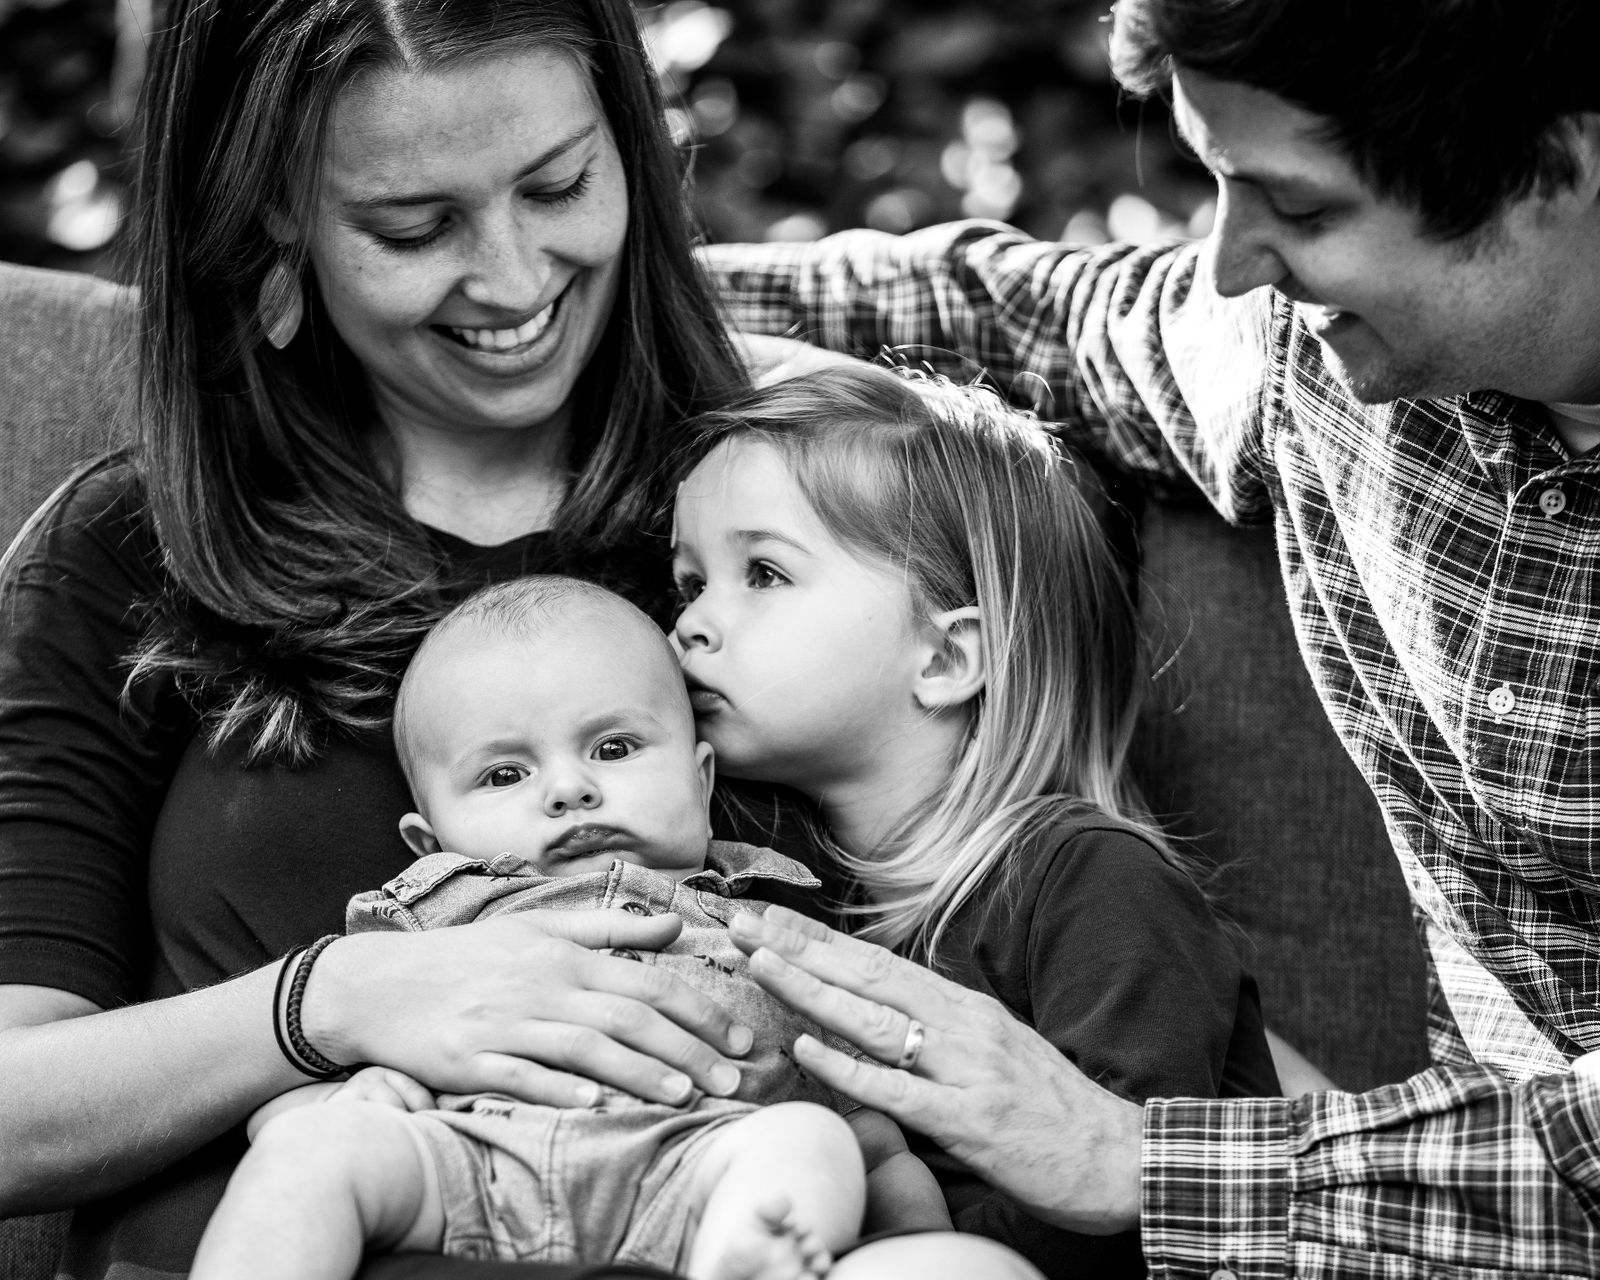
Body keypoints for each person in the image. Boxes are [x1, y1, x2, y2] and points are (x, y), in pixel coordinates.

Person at [697, 0, 1600, 1274]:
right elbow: (1019, 315)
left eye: (1302, 208)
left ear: (1559, 168)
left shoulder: (1085, 894)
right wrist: (588, 299)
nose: (1231, 266)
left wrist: (1137, 1155)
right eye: (1218, 186)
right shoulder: (1306, 357)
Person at [0, 2, 766, 1277]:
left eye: (560, 183)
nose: (516, 279)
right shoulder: (138, 546)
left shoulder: (770, 525)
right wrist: (333, 998)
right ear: (271, 215)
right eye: (415, 227)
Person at [193, 575, 1021, 1280]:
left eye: (616, 748)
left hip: (698, 1169)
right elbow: (320, 1057)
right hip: (469, 1158)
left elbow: (870, 1132)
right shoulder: (424, 919)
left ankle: (742, 1257)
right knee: (304, 1161)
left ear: (701, 785)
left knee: (807, 1139)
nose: (569, 789)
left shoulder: (775, 929)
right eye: (506, 773)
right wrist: (338, 1104)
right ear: (431, 841)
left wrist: (913, 1233)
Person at [667, 364, 1280, 1278]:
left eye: (762, 573)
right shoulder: (758, 867)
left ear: (949, 655)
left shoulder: (1093, 884)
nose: (690, 627)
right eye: (689, 583)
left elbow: (1126, 1202)